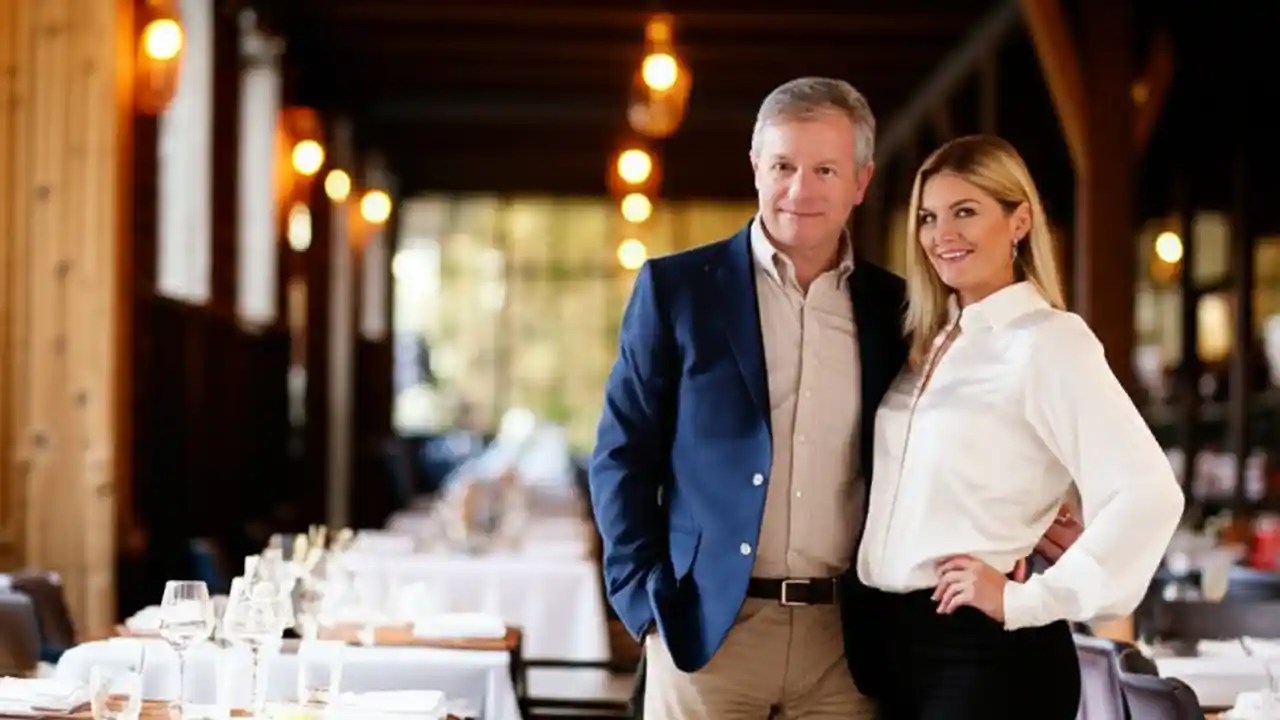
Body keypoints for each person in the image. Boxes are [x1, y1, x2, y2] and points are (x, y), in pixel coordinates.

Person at [589, 77, 903, 719]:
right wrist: (646, 609)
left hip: (848, 645)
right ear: (757, 167)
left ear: (860, 182)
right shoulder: (677, 290)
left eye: (825, 169)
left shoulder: (895, 309)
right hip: (707, 637)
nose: (801, 189)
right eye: (784, 165)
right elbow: (621, 456)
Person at [855, 134, 1186, 719]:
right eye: (929, 217)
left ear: (1020, 220)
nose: (941, 234)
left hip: (985, 654)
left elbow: (1149, 493)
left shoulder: (1048, 342)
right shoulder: (930, 344)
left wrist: (1027, 599)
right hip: (894, 646)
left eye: (966, 212)